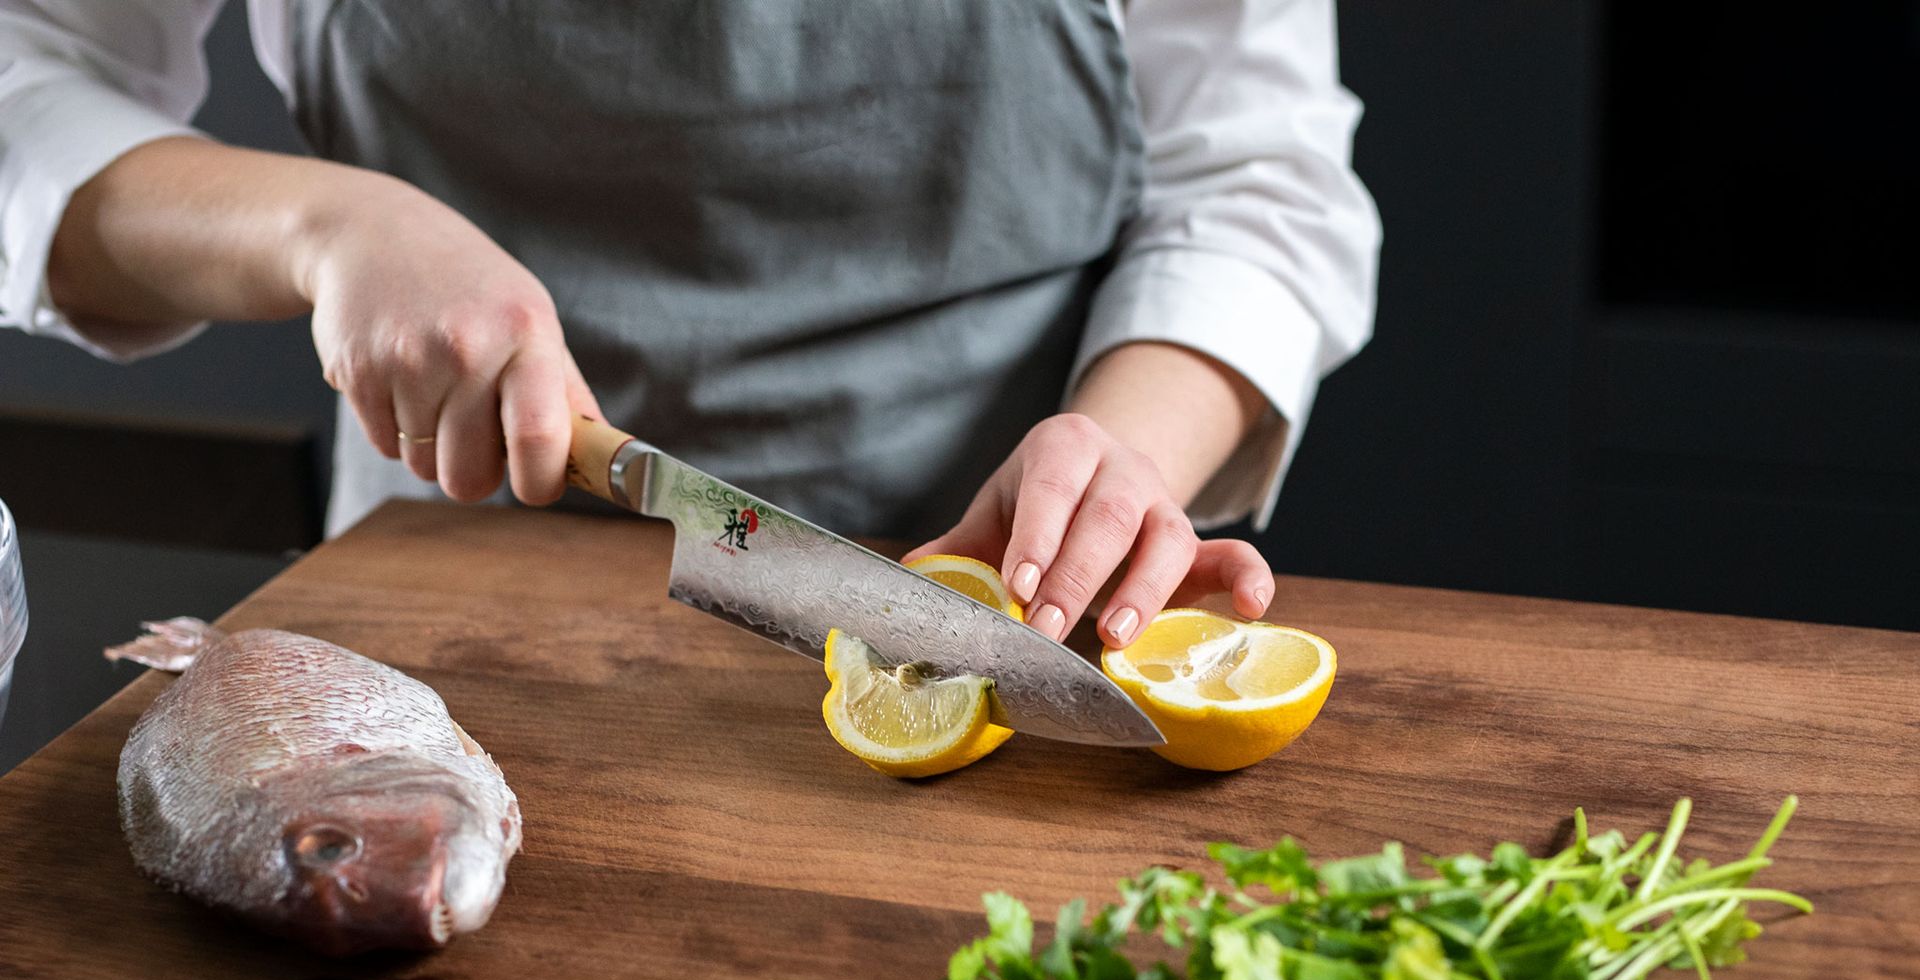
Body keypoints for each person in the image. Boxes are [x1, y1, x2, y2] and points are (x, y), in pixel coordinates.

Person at [0, 1, 1377, 651]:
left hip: (1010, 608)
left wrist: (1122, 458)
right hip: (451, 605)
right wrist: (322, 229)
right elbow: (25, 87)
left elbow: (1255, 177)